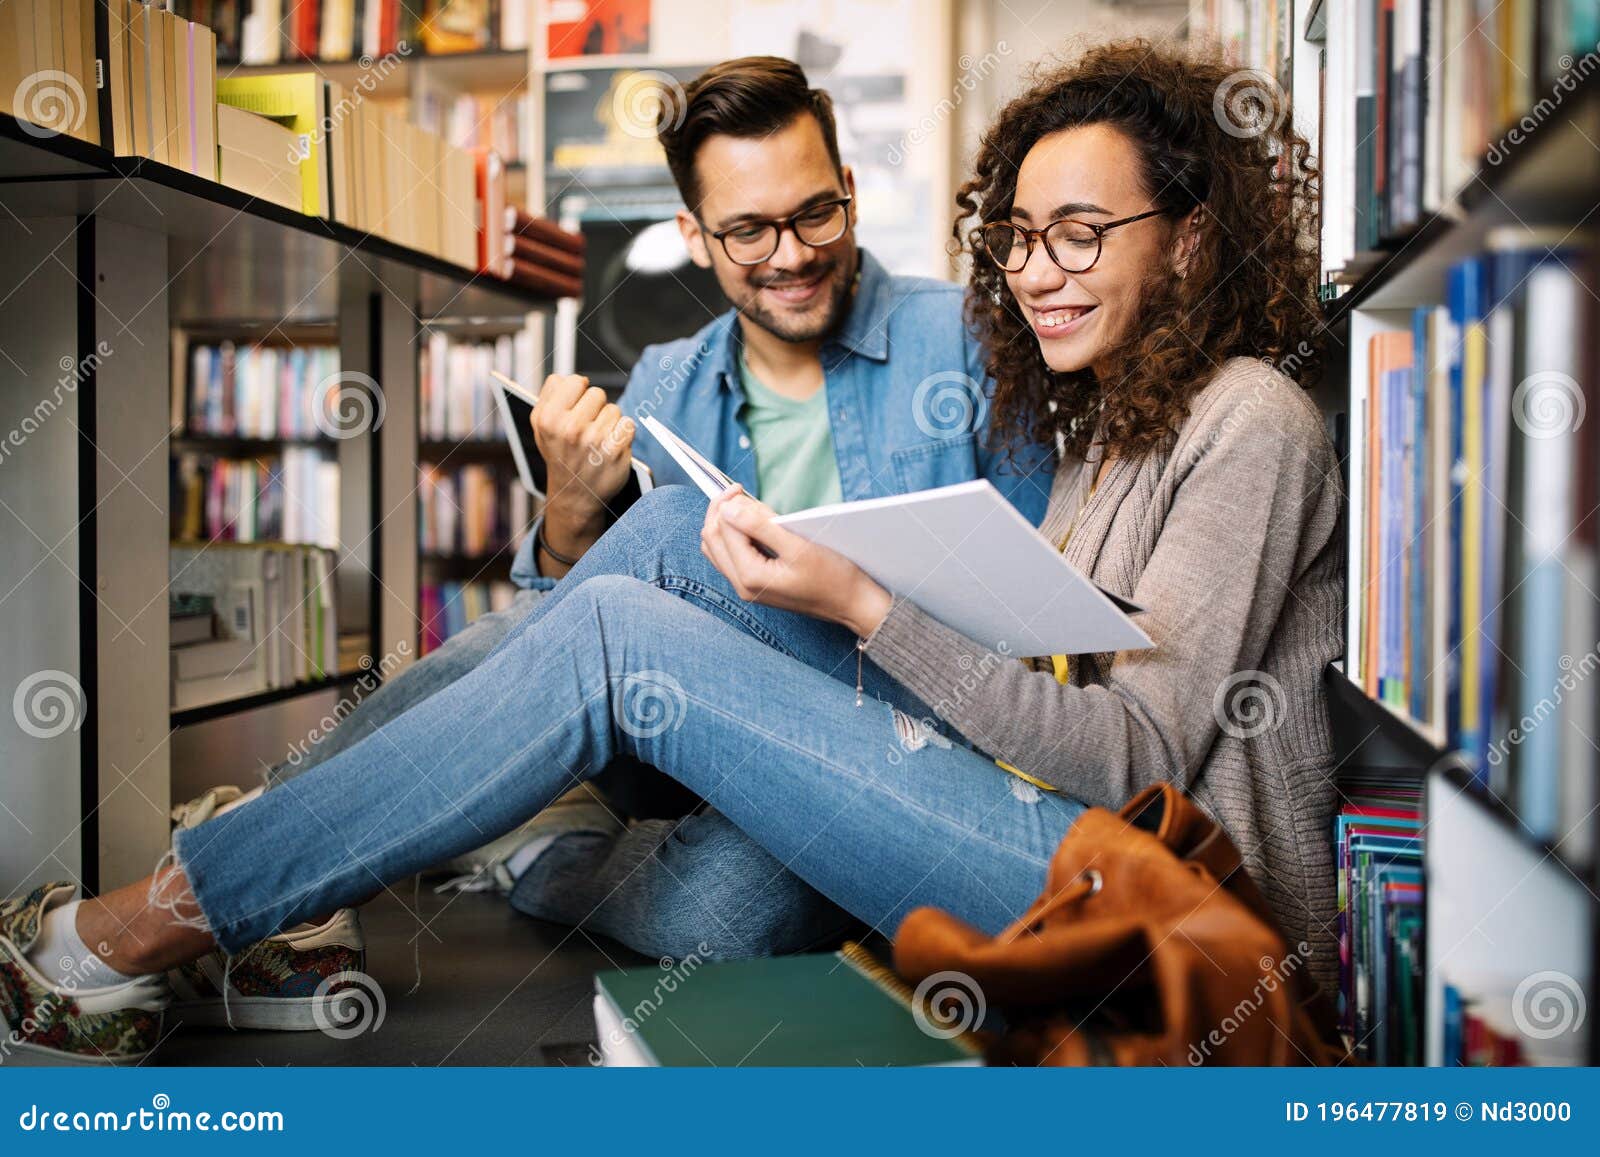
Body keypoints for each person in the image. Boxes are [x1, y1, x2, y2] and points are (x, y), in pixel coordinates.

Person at [2, 38, 1342, 1065]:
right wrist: (572, 520)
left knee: (717, 896)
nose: (1037, 272)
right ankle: (228, 888)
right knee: (644, 567)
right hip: (984, 806)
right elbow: (561, 614)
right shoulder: (1112, 418)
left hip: (1146, 906)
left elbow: (1136, 759)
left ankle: (164, 917)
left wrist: (864, 602)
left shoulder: (1250, 418)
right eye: (1022, 237)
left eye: (1081, 234)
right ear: (698, 240)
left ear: (1194, 240)